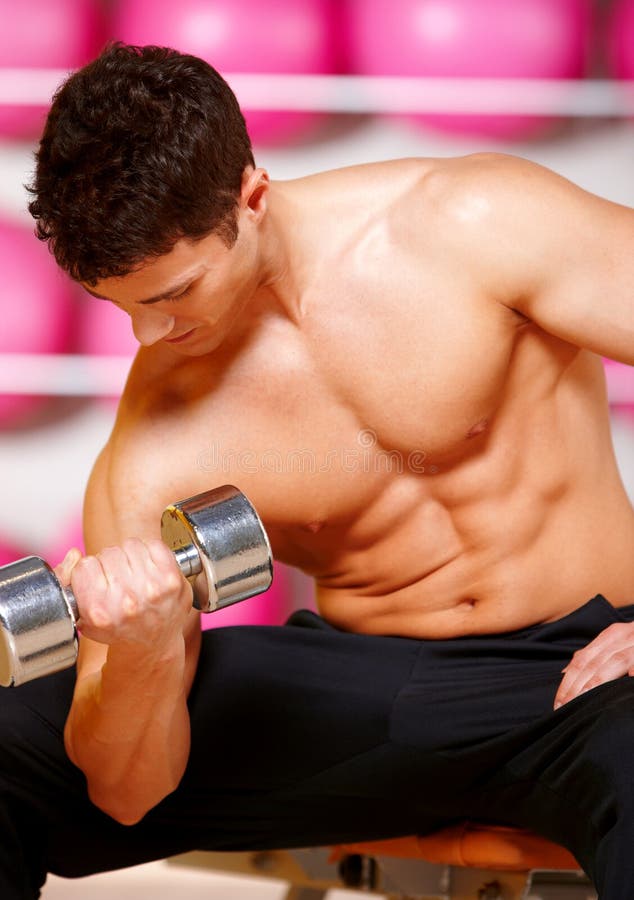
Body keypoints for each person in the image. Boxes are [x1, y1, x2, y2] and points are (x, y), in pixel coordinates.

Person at [2, 41, 633, 899]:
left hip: (588, 666)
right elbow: (127, 792)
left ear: (252, 197)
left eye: (172, 295)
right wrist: (146, 651)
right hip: (375, 691)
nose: (146, 339)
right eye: (119, 307)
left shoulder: (475, 222)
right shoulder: (155, 444)